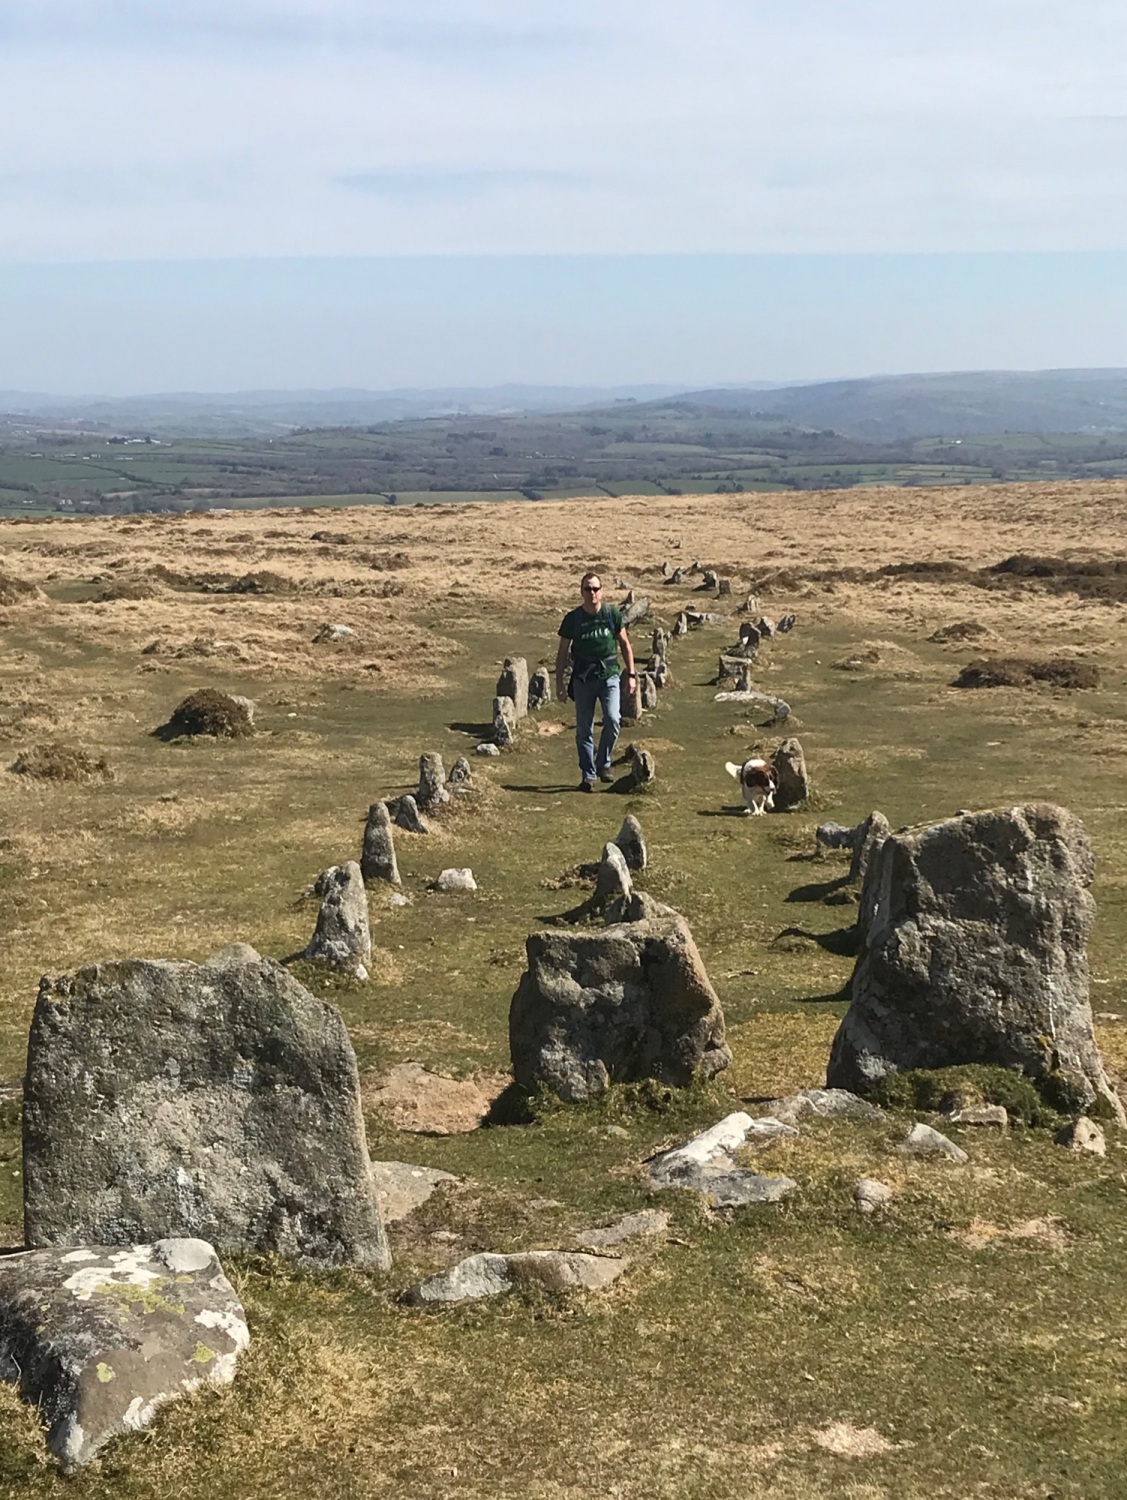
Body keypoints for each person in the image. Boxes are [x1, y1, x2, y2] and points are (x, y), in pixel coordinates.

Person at [554, 571, 636, 791]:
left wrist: (631, 675)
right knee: (584, 729)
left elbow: (625, 645)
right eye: (588, 589)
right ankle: (588, 775)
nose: (592, 593)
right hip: (582, 678)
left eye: (596, 589)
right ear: (581, 592)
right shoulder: (573, 619)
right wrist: (559, 682)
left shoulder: (612, 614)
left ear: (602, 591)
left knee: (613, 719)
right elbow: (562, 652)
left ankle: (604, 763)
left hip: (609, 675)